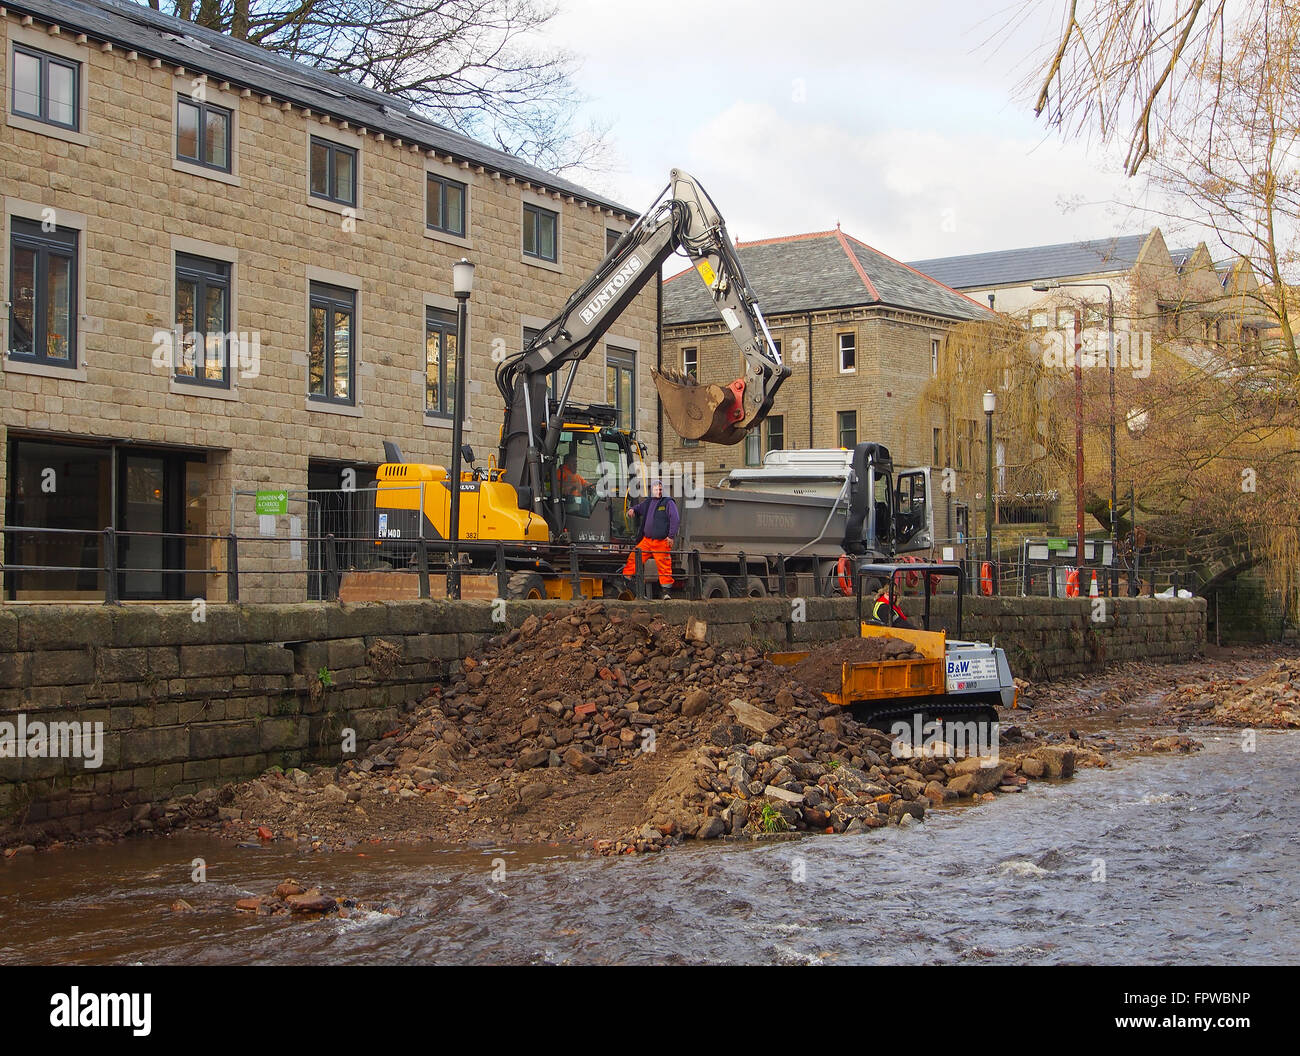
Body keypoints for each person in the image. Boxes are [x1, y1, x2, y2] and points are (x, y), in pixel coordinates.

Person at [623, 480, 679, 598]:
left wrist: (671, 536)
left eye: (659, 489)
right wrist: (632, 510)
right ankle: (627, 581)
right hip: (647, 540)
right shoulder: (648, 502)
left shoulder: (668, 502)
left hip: (661, 541)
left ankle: (666, 593)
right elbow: (638, 508)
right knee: (634, 556)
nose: (658, 491)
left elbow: (675, 519)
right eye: (655, 489)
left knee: (664, 566)